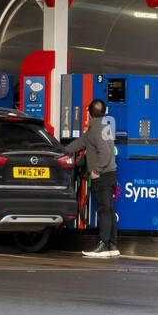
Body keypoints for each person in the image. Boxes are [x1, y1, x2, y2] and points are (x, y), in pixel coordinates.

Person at [63, 99, 119, 258]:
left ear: (89, 113)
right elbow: (80, 143)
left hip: (102, 176)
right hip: (110, 174)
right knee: (108, 209)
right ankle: (112, 245)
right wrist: (60, 150)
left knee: (103, 211)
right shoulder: (103, 127)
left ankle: (103, 244)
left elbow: (106, 153)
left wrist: (96, 170)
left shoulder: (95, 130)